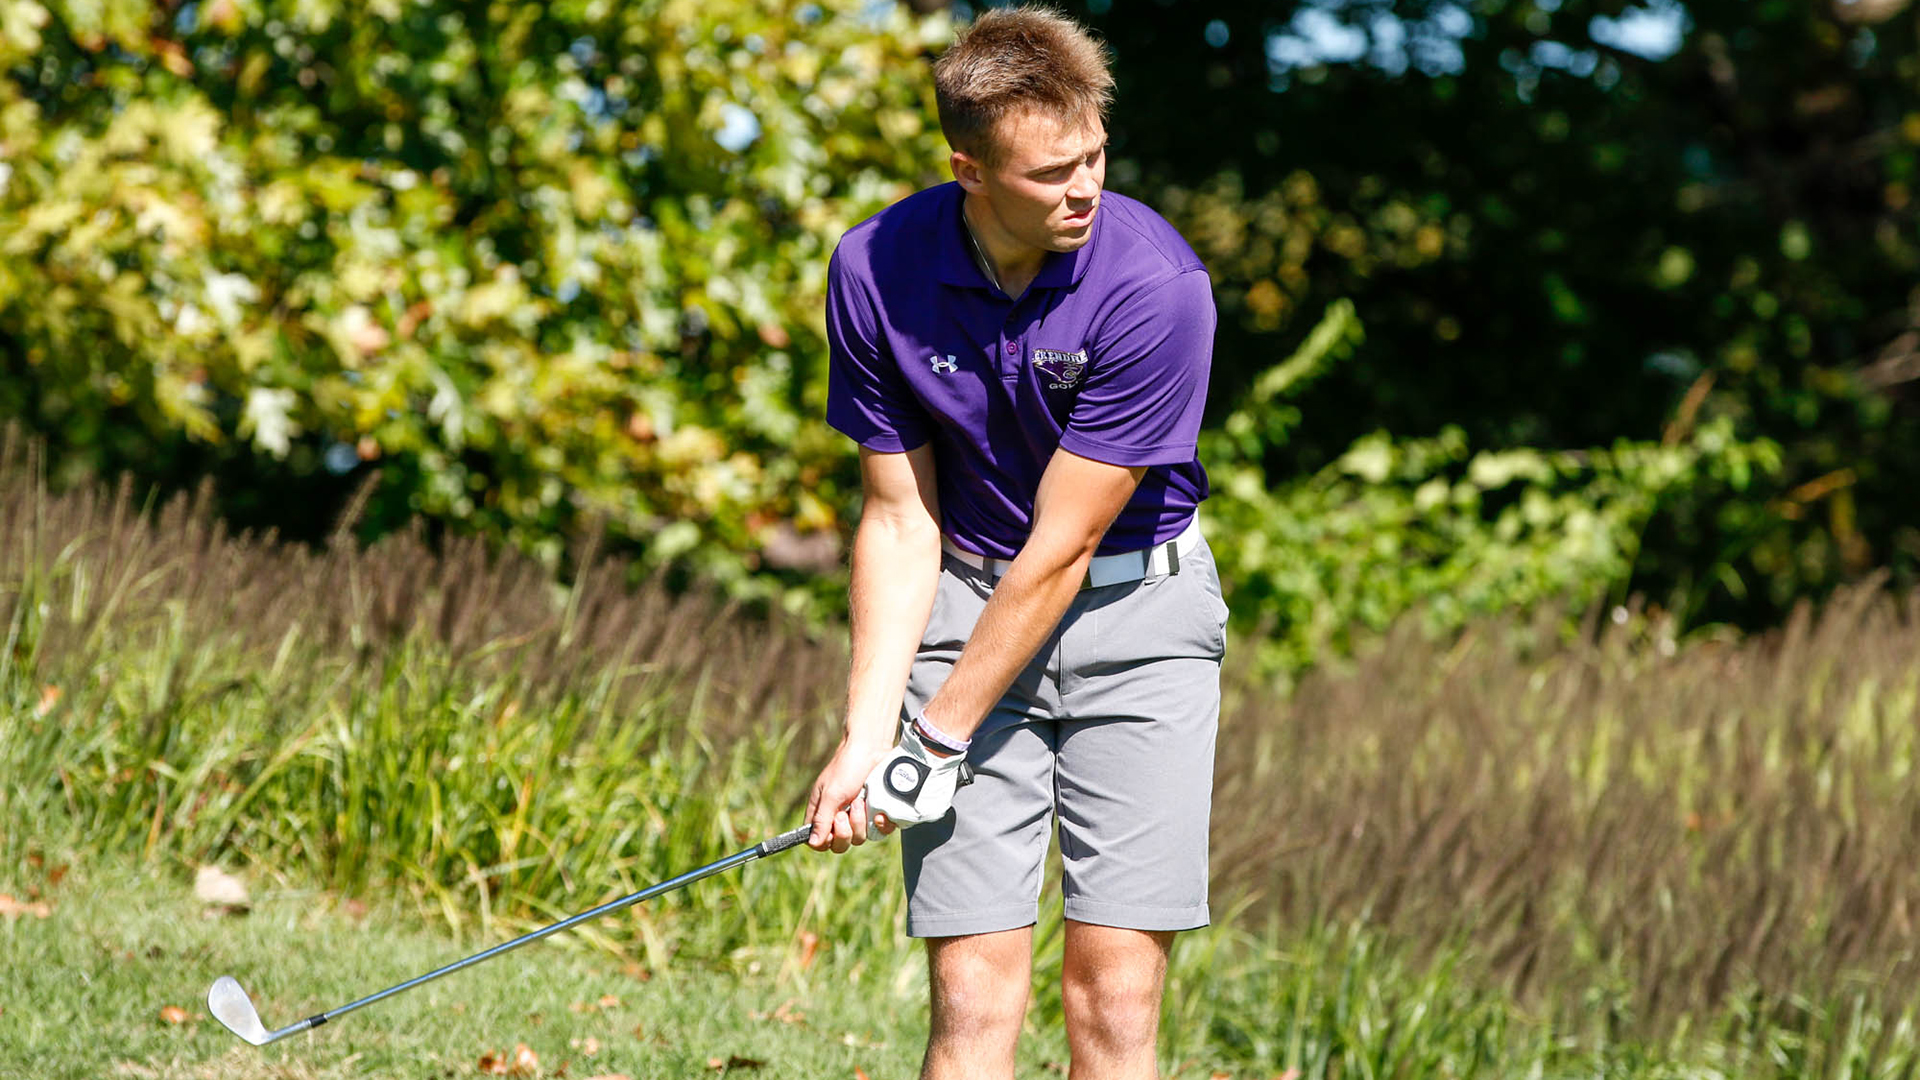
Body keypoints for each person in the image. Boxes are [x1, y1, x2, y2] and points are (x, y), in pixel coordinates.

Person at [803, 7, 1225, 1079]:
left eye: (1093, 156)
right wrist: (868, 735)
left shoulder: (1156, 287)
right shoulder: (874, 269)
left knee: (1113, 997)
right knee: (973, 992)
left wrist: (933, 739)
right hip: (965, 605)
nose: (1084, 188)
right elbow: (900, 518)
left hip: (1138, 623)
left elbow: (1063, 551)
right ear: (968, 170)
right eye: (1049, 174)